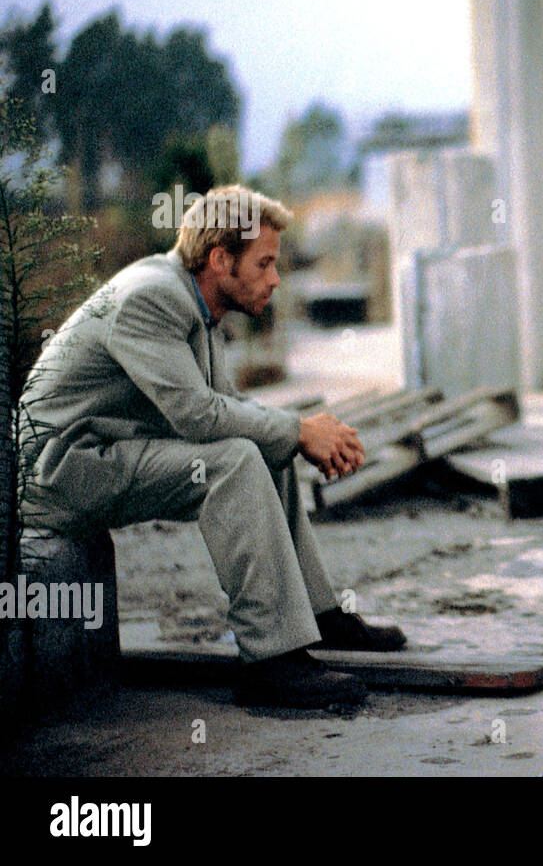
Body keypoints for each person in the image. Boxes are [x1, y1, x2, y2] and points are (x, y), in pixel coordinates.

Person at [19, 185, 404, 708]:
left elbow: (226, 408)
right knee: (236, 462)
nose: (275, 278)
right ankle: (272, 660)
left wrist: (295, 433)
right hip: (59, 470)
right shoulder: (153, 297)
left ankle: (317, 614)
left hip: (98, 452)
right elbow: (198, 417)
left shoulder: (195, 299)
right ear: (221, 259)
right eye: (264, 263)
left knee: (262, 444)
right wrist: (300, 429)